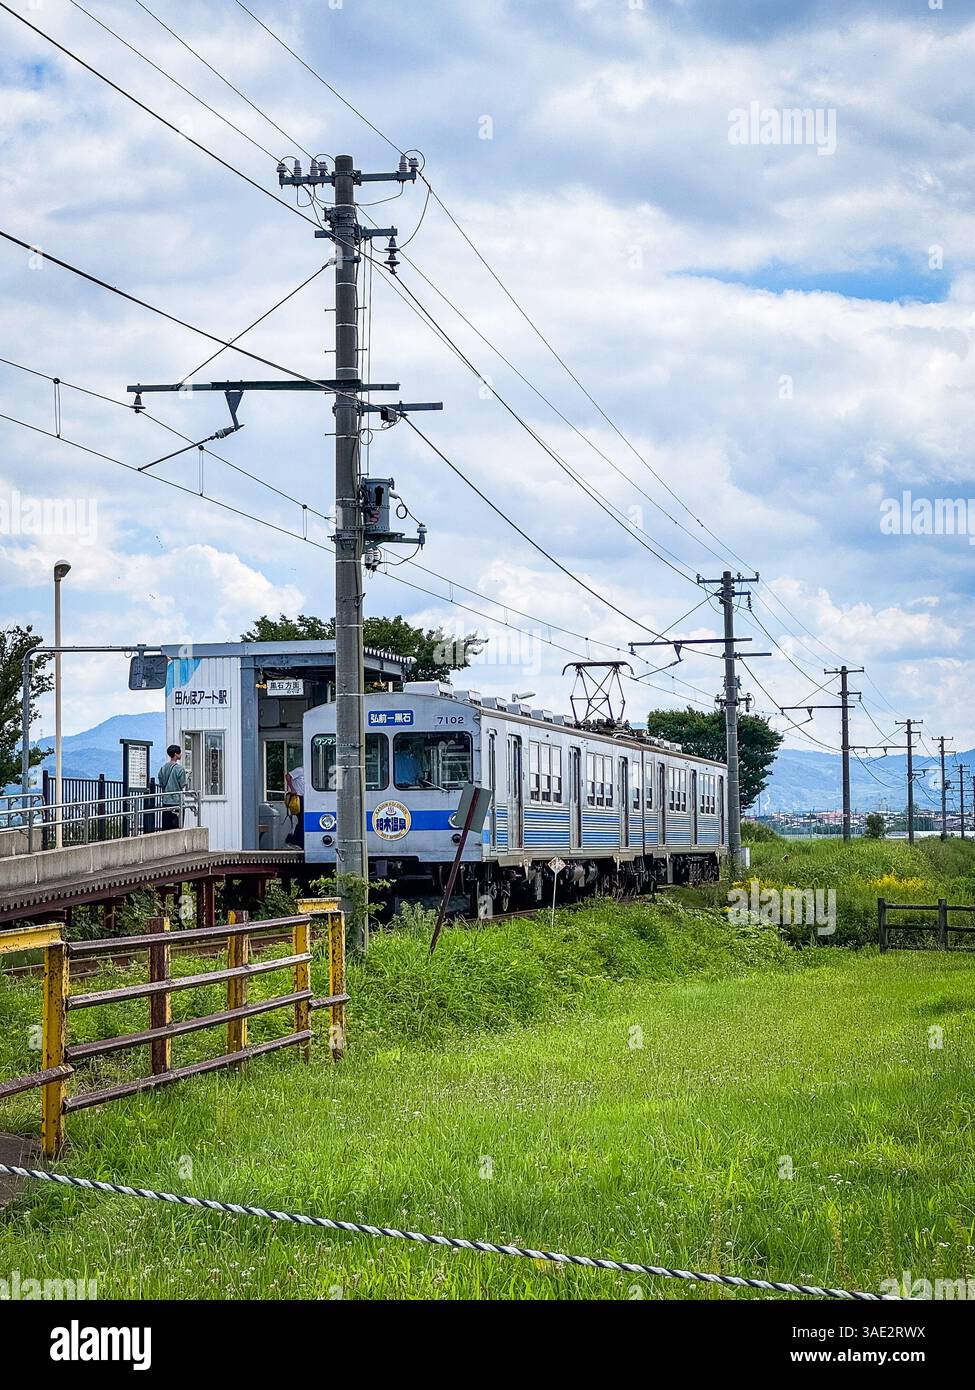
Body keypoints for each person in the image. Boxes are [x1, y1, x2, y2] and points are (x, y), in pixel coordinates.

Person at [157, 744, 187, 830]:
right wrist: (187, 777)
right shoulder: (180, 769)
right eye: (179, 752)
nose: (181, 754)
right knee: (177, 828)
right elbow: (182, 784)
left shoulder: (163, 768)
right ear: (175, 754)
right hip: (177, 802)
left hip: (166, 801)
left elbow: (161, 783)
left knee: (166, 829)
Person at [285, 765, 305, 848]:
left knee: (302, 820)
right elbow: (288, 776)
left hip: (305, 798)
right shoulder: (300, 770)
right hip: (299, 797)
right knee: (302, 819)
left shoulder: (308, 772)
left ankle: (294, 839)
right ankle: (295, 840)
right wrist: (292, 789)